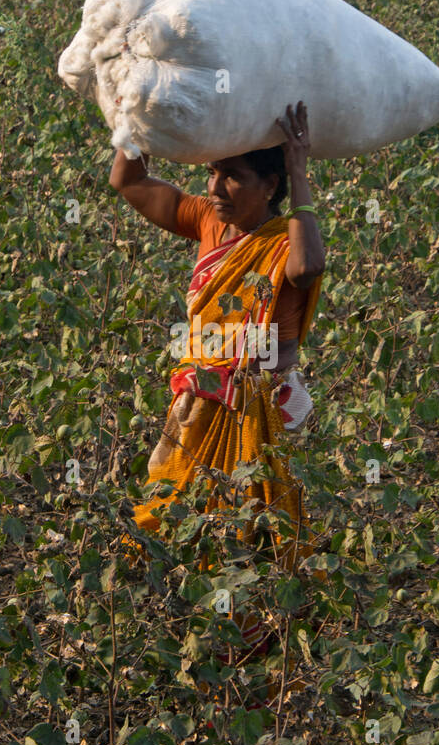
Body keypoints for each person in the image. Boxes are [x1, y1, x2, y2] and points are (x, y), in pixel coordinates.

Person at [111, 101, 326, 661]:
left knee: (246, 532)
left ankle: (250, 662)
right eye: (212, 173)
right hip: (197, 406)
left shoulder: (285, 241)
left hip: (258, 414)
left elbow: (307, 270)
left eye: (232, 176)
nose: (215, 187)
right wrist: (138, 114)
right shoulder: (209, 222)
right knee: (171, 513)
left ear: (271, 184)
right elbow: (127, 180)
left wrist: (302, 174)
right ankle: (177, 646)